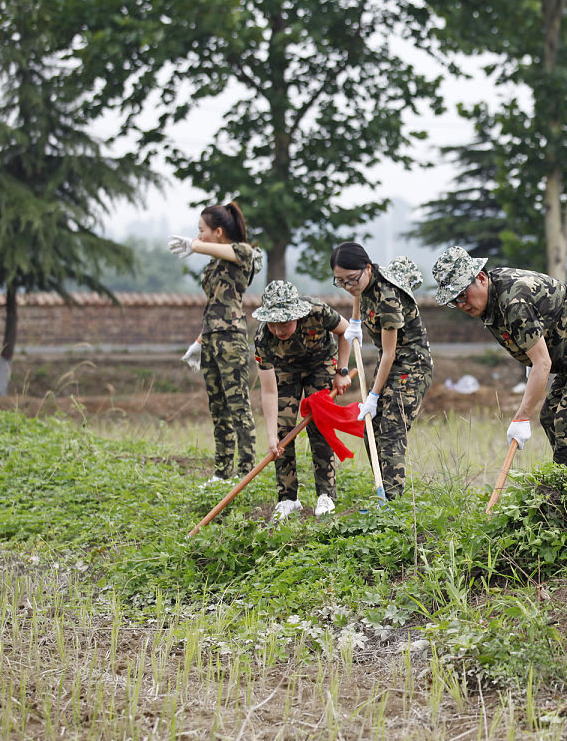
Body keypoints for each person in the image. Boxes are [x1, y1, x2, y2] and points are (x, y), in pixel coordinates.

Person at [431, 246, 567, 465]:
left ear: (480, 278)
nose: (462, 305)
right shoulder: (491, 295)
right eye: (454, 301)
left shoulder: (512, 302)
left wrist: (521, 416)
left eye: (462, 295)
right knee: (550, 416)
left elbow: (542, 363)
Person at [330, 243, 432, 501]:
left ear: (367, 267)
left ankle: (392, 504)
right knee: (371, 428)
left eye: (351, 279)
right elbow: (357, 293)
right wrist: (354, 320)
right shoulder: (362, 282)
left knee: (390, 429)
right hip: (391, 362)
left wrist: (373, 397)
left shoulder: (387, 296)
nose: (348, 286)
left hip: (411, 364)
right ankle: (382, 493)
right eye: (340, 282)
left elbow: (390, 353)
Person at [168, 202, 260, 485]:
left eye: (202, 231)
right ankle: (222, 472)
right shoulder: (213, 263)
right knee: (217, 407)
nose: (199, 236)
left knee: (238, 405)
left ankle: (246, 472)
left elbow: (232, 253)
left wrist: (195, 245)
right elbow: (214, 304)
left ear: (218, 232)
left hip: (231, 338)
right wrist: (200, 339)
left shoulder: (244, 253)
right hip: (211, 337)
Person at [252, 280, 351, 519]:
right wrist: (271, 435)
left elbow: (347, 330)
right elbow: (268, 391)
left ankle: (326, 495)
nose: (279, 331)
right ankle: (288, 499)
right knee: (283, 431)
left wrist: (342, 371)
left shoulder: (317, 312)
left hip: (321, 365)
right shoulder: (263, 339)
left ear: (296, 315)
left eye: (284, 324)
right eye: (273, 324)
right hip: (286, 371)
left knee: (319, 425)